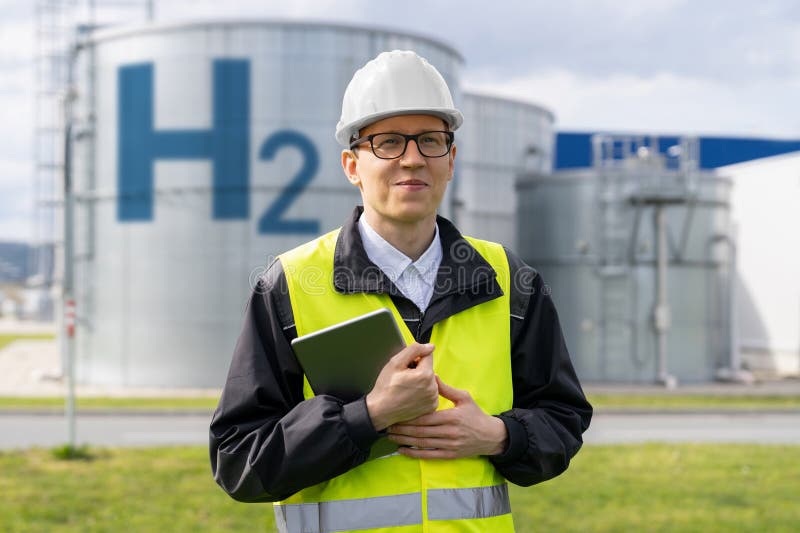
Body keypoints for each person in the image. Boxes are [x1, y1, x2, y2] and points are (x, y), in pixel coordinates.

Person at [210, 50, 592, 532]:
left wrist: (498, 435)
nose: (412, 158)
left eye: (430, 141)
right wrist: (366, 417)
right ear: (352, 165)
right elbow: (239, 461)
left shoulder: (510, 281)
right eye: (388, 142)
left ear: (450, 160)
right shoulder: (288, 285)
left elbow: (563, 421)